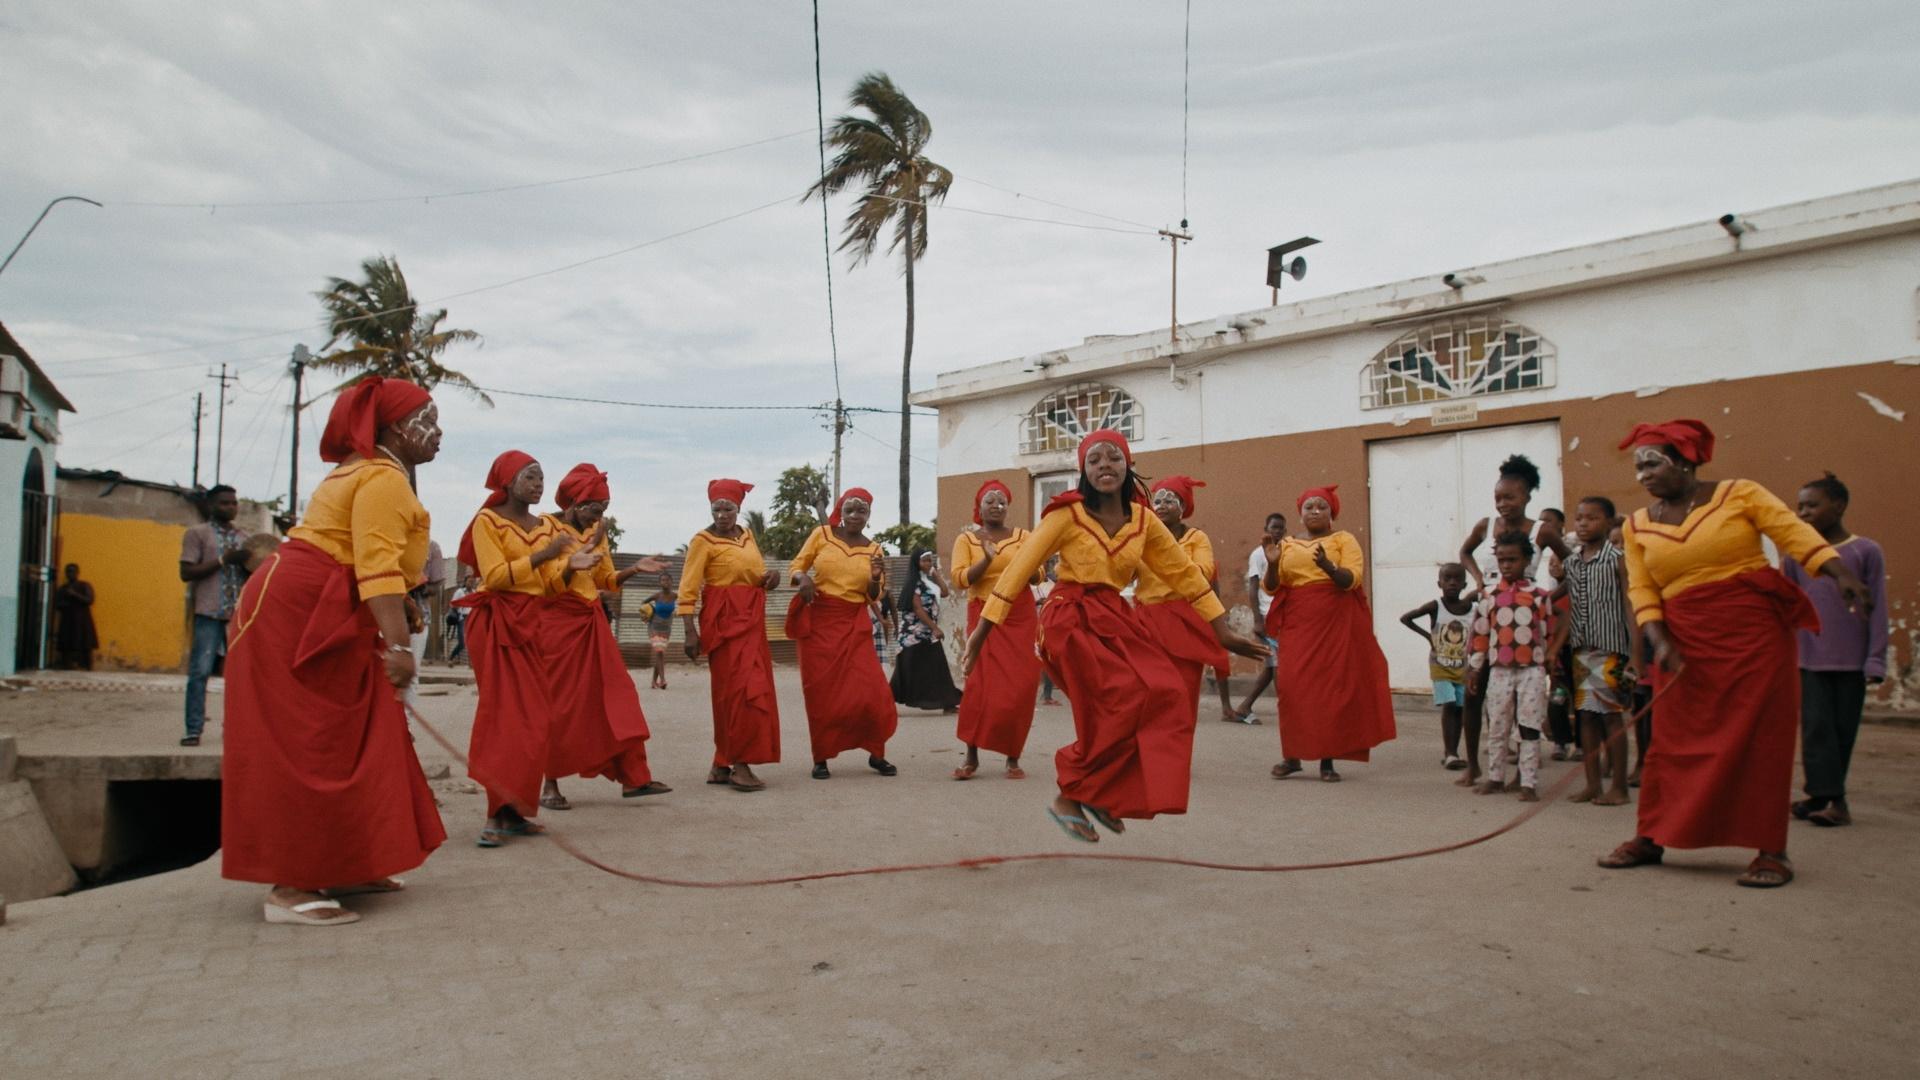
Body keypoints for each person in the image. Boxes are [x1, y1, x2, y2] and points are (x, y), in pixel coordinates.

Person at [1598, 420, 1870, 888]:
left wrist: (1837, 571)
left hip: (1754, 639)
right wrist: (1660, 641)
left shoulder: (1739, 494)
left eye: (1652, 463)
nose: (1642, 474)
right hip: (1683, 642)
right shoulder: (1638, 525)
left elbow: (1791, 533)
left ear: (1684, 460)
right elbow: (1642, 587)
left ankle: (1771, 851)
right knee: (1672, 744)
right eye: (1638, 466)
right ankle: (1652, 836)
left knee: (1762, 742)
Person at [962, 430, 1267, 843]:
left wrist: (1222, 630)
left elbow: (1185, 574)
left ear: (1128, 466)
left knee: (1167, 692)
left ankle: (1099, 794)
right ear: (1083, 471)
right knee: (1124, 700)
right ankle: (1072, 795)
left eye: (1114, 458)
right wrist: (983, 630)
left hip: (1115, 617)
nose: (1105, 465)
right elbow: (1020, 570)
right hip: (1068, 618)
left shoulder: (1143, 520)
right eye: (1095, 460)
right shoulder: (1066, 514)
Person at [221, 377, 446, 925]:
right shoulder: (382, 478)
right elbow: (373, 568)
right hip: (299, 611)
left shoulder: (365, 472)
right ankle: (292, 887)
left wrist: (400, 611)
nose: (438, 433)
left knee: (360, 731)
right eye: (428, 421)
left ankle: (349, 858)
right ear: (395, 428)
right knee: (312, 739)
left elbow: (371, 564)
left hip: (312, 601)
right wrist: (397, 646)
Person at [457, 450, 582, 848]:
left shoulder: (545, 526)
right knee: (504, 718)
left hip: (532, 621)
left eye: (542, 478)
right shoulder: (487, 521)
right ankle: (496, 813)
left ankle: (517, 809)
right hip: (497, 623)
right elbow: (493, 576)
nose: (539, 485)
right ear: (507, 482)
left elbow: (547, 586)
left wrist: (570, 566)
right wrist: (545, 554)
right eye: (531, 477)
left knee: (535, 719)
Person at [536, 464, 670, 811]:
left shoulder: (598, 532)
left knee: (619, 694)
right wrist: (571, 564)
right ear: (575, 503)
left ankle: (634, 778)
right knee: (560, 703)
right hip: (556, 623)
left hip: (591, 620)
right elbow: (544, 578)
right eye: (595, 509)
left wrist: (634, 569)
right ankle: (549, 782)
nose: (599, 516)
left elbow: (606, 579)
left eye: (604, 509)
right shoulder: (545, 528)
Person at [1262, 485, 1397, 782]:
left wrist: (1327, 565)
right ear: (1300, 513)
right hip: (1298, 623)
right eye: (1308, 507)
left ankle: (1327, 761)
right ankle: (1292, 757)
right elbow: (1272, 587)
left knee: (1330, 690)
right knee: (1291, 688)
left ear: (1332, 513)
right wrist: (1272, 566)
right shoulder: (1288, 544)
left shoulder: (1343, 540)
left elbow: (1352, 579)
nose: (1314, 511)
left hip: (1334, 623)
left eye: (1321, 506)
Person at [1455, 454, 1569, 784]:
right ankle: (1474, 765)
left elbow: (1573, 566)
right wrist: (1478, 579)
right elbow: (1465, 552)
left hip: (1525, 620)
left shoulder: (1541, 531)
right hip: (1489, 614)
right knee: (1475, 688)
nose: (1503, 504)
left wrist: (1546, 598)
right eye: (1498, 498)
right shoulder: (1486, 526)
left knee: (1524, 696)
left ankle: (1524, 769)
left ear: (1528, 496)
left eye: (1510, 497)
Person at [1783, 472, 1889, 828]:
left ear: (1839, 506)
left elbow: (1878, 609)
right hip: (1809, 658)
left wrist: (1875, 658)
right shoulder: (1797, 555)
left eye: (1813, 505)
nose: (1804, 512)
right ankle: (1823, 796)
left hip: (1851, 661)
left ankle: (1833, 799)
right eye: (1800, 506)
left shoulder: (1865, 551)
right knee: (1815, 728)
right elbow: (1787, 605)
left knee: (1842, 730)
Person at [787, 488, 899, 779]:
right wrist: (803, 578)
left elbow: (874, 594)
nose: (854, 515)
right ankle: (821, 757)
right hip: (820, 622)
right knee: (822, 695)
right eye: (849, 509)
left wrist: (875, 579)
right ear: (840, 510)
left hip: (853, 623)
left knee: (872, 692)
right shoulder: (821, 535)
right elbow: (797, 566)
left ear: (869, 516)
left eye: (861, 510)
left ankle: (877, 753)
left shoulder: (874, 549)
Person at [679, 479, 781, 792]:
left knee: (744, 688)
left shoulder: (747, 536)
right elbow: (689, 586)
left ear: (739, 509)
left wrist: (769, 579)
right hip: (723, 621)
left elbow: (753, 575)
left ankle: (722, 763)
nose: (723, 514)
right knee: (736, 691)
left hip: (750, 617)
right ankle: (740, 765)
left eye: (729, 508)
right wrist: (689, 631)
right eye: (717, 508)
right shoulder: (702, 540)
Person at [1546, 496, 1640, 806]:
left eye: (1592, 518)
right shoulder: (1572, 563)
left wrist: (1635, 654)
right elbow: (1567, 605)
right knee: (1585, 716)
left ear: (1610, 523)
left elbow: (1629, 604)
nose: (1584, 524)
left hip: (1611, 649)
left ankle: (1620, 789)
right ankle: (1592, 784)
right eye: (1579, 518)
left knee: (1612, 717)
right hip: (1581, 650)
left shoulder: (1618, 559)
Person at [951, 479, 1040, 780]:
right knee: (979, 687)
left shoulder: (1023, 537)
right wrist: (987, 561)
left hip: (1019, 615)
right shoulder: (967, 540)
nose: (997, 505)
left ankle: (1012, 758)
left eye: (1002, 501)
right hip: (984, 614)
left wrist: (1027, 568)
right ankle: (971, 757)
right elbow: (961, 580)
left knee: (1020, 688)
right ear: (979, 507)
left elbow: (1038, 574)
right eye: (990, 501)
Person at [1133, 475, 1232, 733]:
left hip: (1184, 622)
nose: (1162, 505)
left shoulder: (1197, 538)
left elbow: (1203, 572)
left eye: (1170, 500)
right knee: (1149, 690)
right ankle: (1150, 749)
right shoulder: (1143, 538)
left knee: (1182, 691)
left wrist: (1168, 560)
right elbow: (1127, 571)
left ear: (1183, 508)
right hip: (1147, 624)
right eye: (1158, 500)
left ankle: (1175, 748)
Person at [1465, 533, 1554, 801]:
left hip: (1532, 670)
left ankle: (1528, 783)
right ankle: (1495, 777)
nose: (1506, 565)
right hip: (1500, 671)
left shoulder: (1539, 596)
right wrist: (1474, 668)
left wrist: (1550, 666)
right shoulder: (1489, 596)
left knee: (1529, 726)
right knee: (1497, 725)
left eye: (1512, 560)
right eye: (1502, 560)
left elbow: (1546, 633)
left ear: (1527, 560)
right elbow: (1480, 636)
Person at [178, 483, 252, 746]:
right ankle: (193, 729)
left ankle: (233, 730)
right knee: (199, 672)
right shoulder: (197, 534)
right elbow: (186, 572)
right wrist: (224, 560)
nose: (231, 507)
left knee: (240, 676)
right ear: (211, 505)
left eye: (233, 503)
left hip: (238, 617)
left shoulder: (245, 538)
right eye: (224, 503)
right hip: (208, 612)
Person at [1397, 562, 1473, 770]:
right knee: (1449, 704)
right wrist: (1428, 637)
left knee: (1459, 707)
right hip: (1440, 667)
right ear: (1439, 583)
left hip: (1463, 667)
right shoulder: (1435, 606)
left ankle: (1453, 752)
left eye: (1457, 579)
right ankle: (1450, 754)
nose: (1452, 583)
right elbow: (1406, 618)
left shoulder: (1471, 609)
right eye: (1447, 579)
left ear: (1465, 584)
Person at [1225, 512, 1287, 724]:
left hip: (1282, 616)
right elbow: (1252, 589)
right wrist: (1258, 620)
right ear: (1266, 529)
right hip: (1267, 617)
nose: (1277, 531)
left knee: (1272, 667)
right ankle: (1287, 710)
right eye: (1273, 527)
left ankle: (1244, 706)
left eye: (1280, 528)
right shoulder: (1258, 555)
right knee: (1277, 665)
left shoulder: (1286, 551)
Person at [891, 547, 963, 711]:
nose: (928, 563)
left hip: (927, 633)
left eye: (930, 560)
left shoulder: (928, 582)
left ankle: (948, 702)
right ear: (917, 563)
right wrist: (935, 628)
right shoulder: (914, 583)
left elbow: (944, 593)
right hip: (913, 633)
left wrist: (936, 575)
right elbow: (918, 609)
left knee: (937, 666)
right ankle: (886, 700)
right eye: (924, 560)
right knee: (906, 668)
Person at [53, 564, 98, 670]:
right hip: (67, 620)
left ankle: (87, 665)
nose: (70, 574)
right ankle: (67, 665)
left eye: (72, 571)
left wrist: (74, 595)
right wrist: (66, 604)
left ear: (77, 573)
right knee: (66, 643)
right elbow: (58, 604)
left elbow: (89, 600)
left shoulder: (85, 585)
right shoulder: (63, 588)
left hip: (82, 619)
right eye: (68, 572)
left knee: (85, 642)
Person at [639, 576, 678, 690]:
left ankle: (653, 682)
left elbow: (686, 600)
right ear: (660, 582)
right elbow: (643, 603)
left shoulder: (675, 596)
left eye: (668, 580)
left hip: (666, 629)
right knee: (659, 652)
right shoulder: (657, 596)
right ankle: (663, 680)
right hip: (654, 627)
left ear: (672, 582)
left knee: (659, 654)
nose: (665, 582)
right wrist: (646, 614)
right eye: (663, 580)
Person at [1035, 558, 1061, 706]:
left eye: (1045, 564)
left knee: (1049, 658)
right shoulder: (1030, 585)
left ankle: (1047, 695)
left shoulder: (1052, 585)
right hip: (1032, 625)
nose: (1044, 567)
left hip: (1048, 626)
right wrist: (1037, 602)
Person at [445, 573, 472, 663]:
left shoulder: (474, 592)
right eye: (469, 581)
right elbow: (453, 603)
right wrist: (459, 608)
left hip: (472, 619)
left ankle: (471, 663)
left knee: (472, 641)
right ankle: (451, 658)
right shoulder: (460, 592)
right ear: (465, 582)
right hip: (462, 619)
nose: (471, 583)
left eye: (472, 581)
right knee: (462, 642)